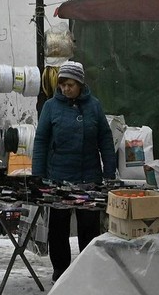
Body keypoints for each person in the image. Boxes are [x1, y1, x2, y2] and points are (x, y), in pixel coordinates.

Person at [31, 60, 117, 280]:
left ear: (80, 84)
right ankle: (61, 271)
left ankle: (88, 270)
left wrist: (109, 171)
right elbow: (41, 142)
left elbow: (105, 140)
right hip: (59, 178)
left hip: (89, 177)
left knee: (89, 227)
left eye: (70, 84)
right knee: (58, 228)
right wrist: (38, 177)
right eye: (62, 84)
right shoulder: (50, 107)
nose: (66, 89)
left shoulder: (94, 106)